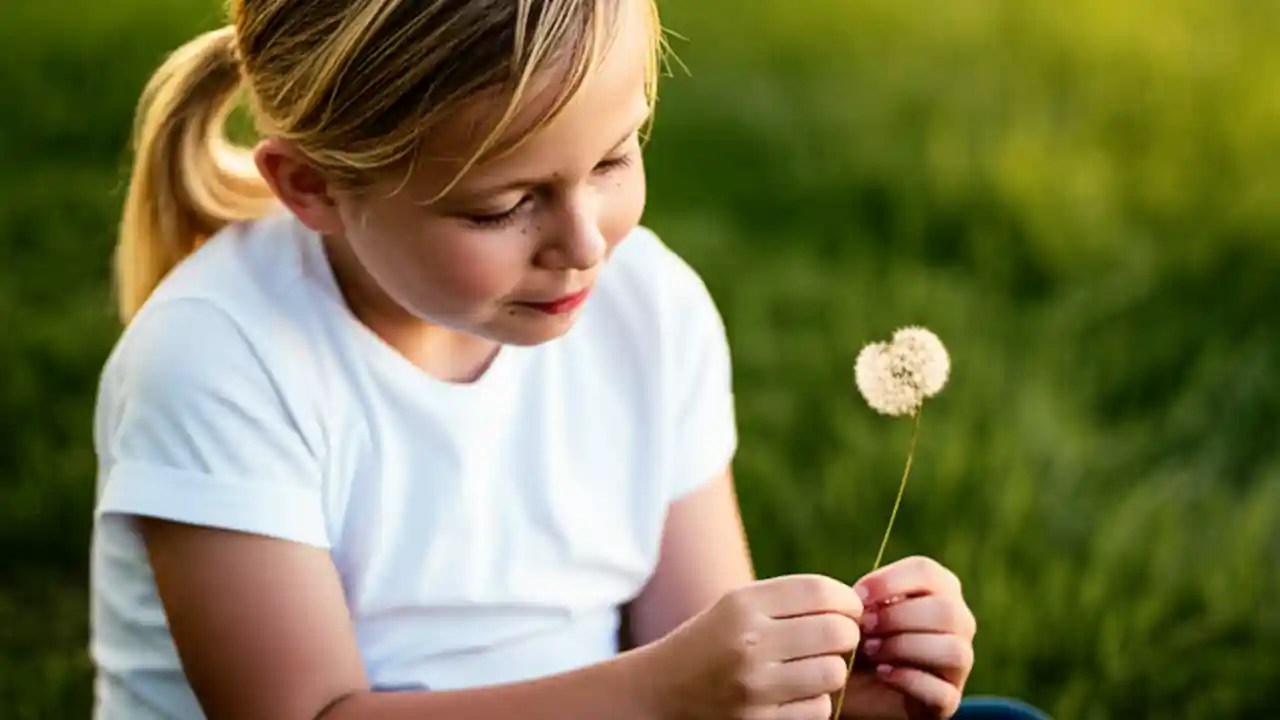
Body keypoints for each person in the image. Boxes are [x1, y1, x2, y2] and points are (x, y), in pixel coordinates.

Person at [89, 1, 1028, 718]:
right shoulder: (218, 361)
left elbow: (692, 637)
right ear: (313, 187)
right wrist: (665, 696)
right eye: (503, 207)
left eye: (616, 160)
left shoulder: (647, 308)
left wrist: (819, 690)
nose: (585, 244)